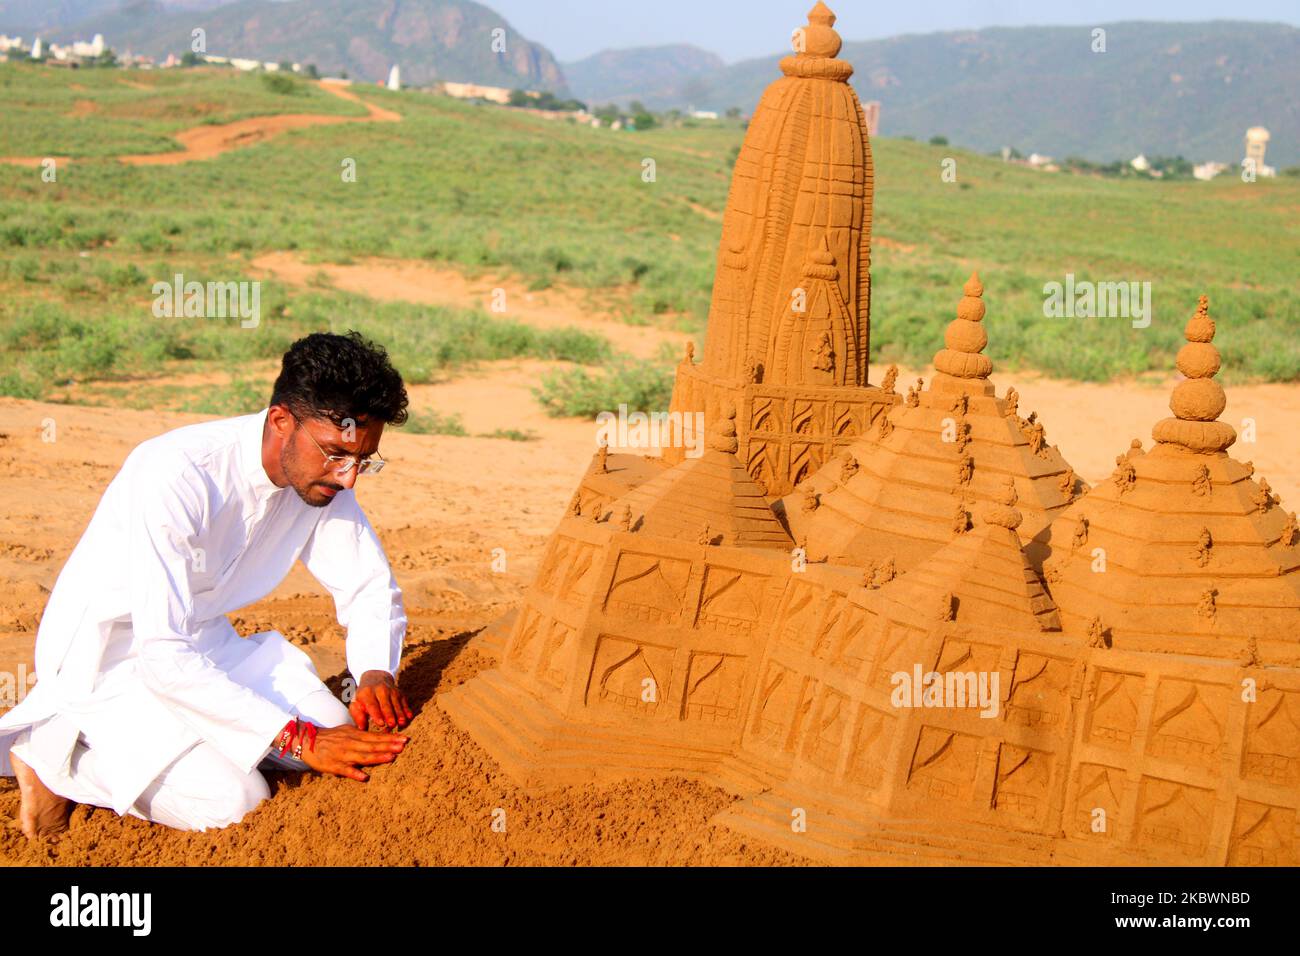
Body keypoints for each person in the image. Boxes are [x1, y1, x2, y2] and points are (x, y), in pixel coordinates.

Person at [1, 331, 415, 839]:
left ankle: (196, 745)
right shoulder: (176, 474)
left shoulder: (323, 478)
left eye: (363, 460)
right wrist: (295, 740)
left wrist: (375, 671)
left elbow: (368, 585)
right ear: (283, 420)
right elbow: (164, 657)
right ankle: (56, 760)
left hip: (203, 642)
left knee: (338, 733)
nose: (349, 478)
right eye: (335, 454)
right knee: (236, 799)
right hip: (107, 657)